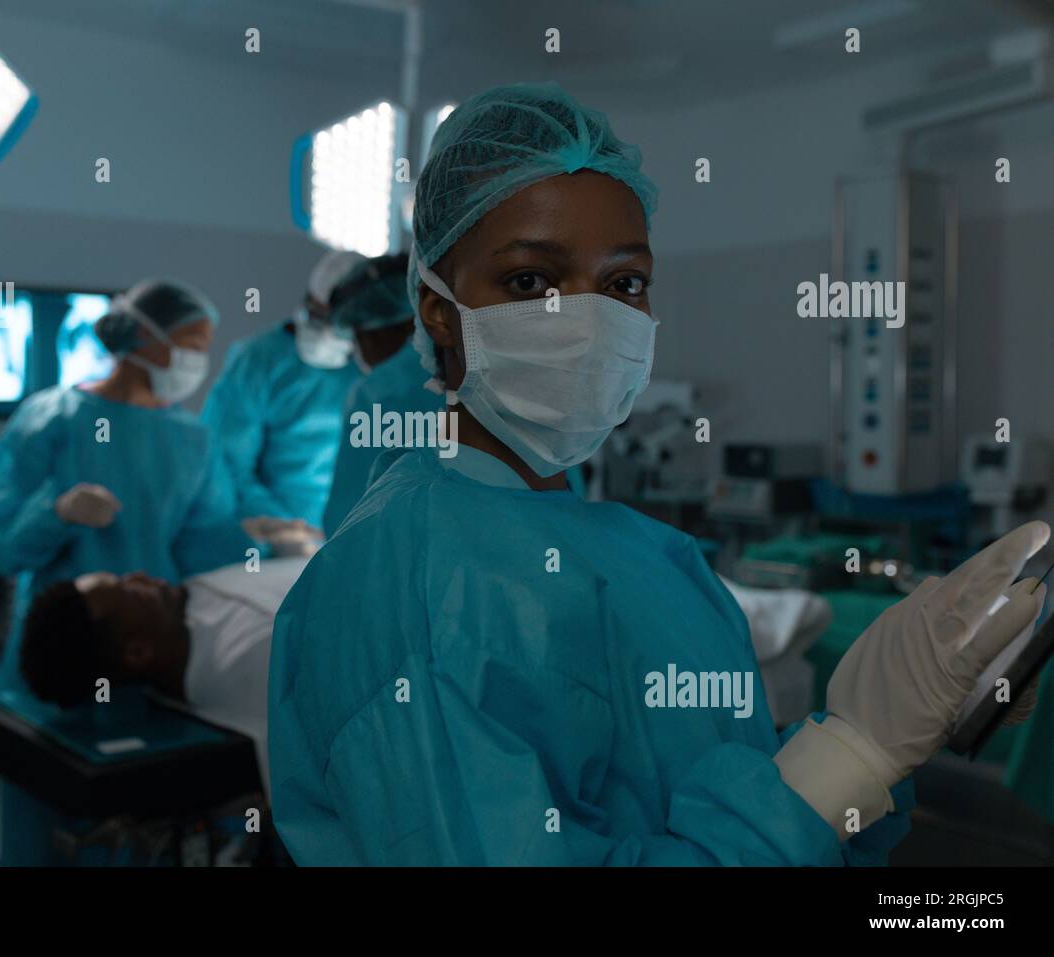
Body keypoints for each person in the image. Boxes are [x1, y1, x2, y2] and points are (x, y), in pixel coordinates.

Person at [267, 82, 1048, 866]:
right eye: (531, 281)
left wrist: (884, 737)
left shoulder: (641, 553)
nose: (586, 318)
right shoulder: (399, 583)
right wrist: (851, 752)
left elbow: (700, 792)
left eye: (622, 284)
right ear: (439, 310)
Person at [0, 278, 261, 865]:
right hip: (55, 662)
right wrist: (54, 513)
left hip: (147, 664)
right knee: (42, 814)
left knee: (137, 826)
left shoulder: (191, 439)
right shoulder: (51, 419)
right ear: (142, 337)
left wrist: (262, 541)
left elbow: (209, 554)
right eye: (190, 343)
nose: (197, 361)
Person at [18, 559, 308, 798]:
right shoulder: (257, 656)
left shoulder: (191, 598)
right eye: (130, 590)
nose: (142, 576)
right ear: (138, 653)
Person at [201, 250, 365, 531]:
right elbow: (225, 463)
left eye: (341, 325)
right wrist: (283, 527)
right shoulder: (259, 360)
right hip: (271, 538)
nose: (330, 331)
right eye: (320, 315)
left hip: (353, 534)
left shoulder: (368, 366)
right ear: (308, 301)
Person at [320, 253, 441, 536]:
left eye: (355, 339)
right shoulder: (467, 368)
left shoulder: (379, 395)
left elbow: (347, 522)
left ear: (370, 334)